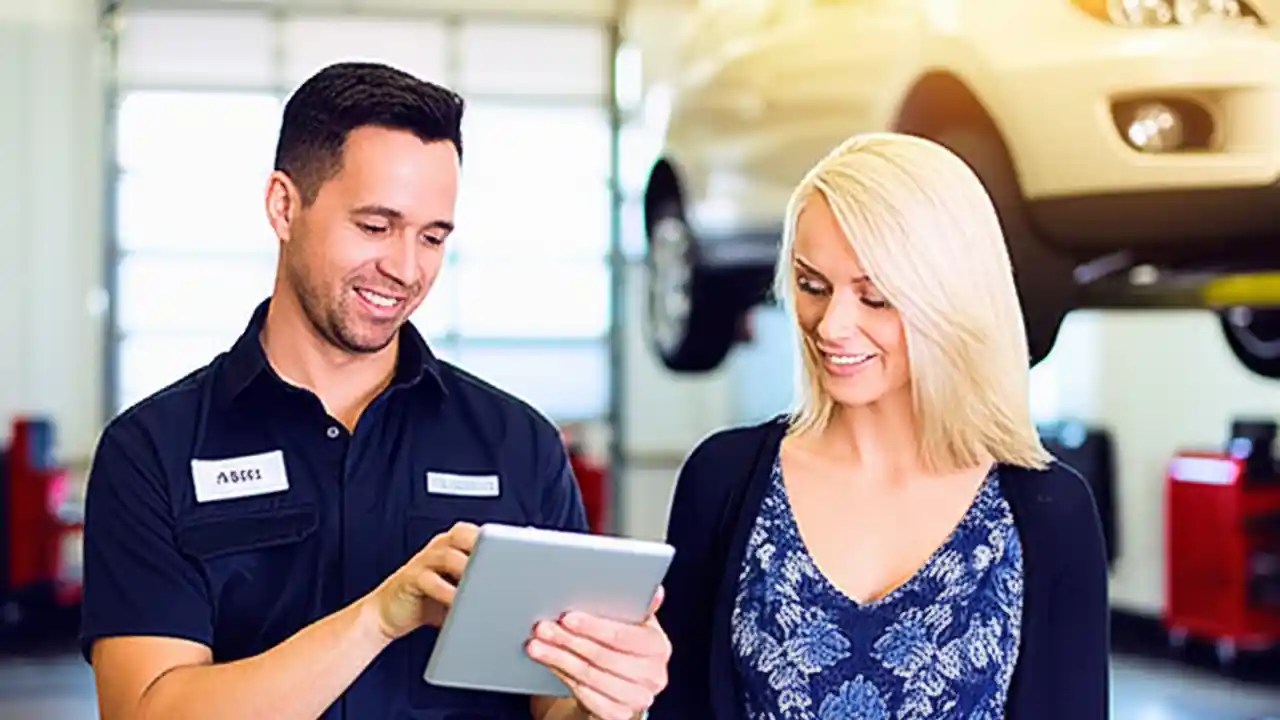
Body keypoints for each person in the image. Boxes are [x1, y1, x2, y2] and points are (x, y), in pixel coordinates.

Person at [80, 61, 669, 720]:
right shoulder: (154, 451)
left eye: (432, 237)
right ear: (283, 205)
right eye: (375, 226)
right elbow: (145, 710)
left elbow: (551, 705)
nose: (406, 269)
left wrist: (609, 692)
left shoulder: (516, 445)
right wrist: (377, 619)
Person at [650, 132, 1109, 719]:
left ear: (951, 299)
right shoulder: (722, 480)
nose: (831, 326)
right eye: (812, 286)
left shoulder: (1048, 511)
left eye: (874, 297)